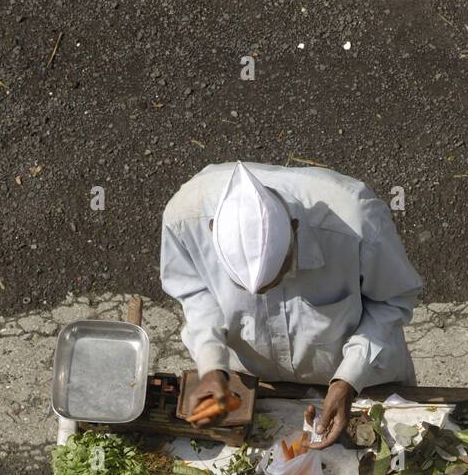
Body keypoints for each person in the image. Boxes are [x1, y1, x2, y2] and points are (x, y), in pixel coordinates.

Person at [160, 160, 423, 447]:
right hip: (258, 379)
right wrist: (211, 365)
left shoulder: (357, 221)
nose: (262, 294)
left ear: (295, 228)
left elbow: (393, 301)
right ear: (212, 230)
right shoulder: (184, 217)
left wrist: (348, 380)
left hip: (364, 378)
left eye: (279, 275)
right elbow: (195, 294)